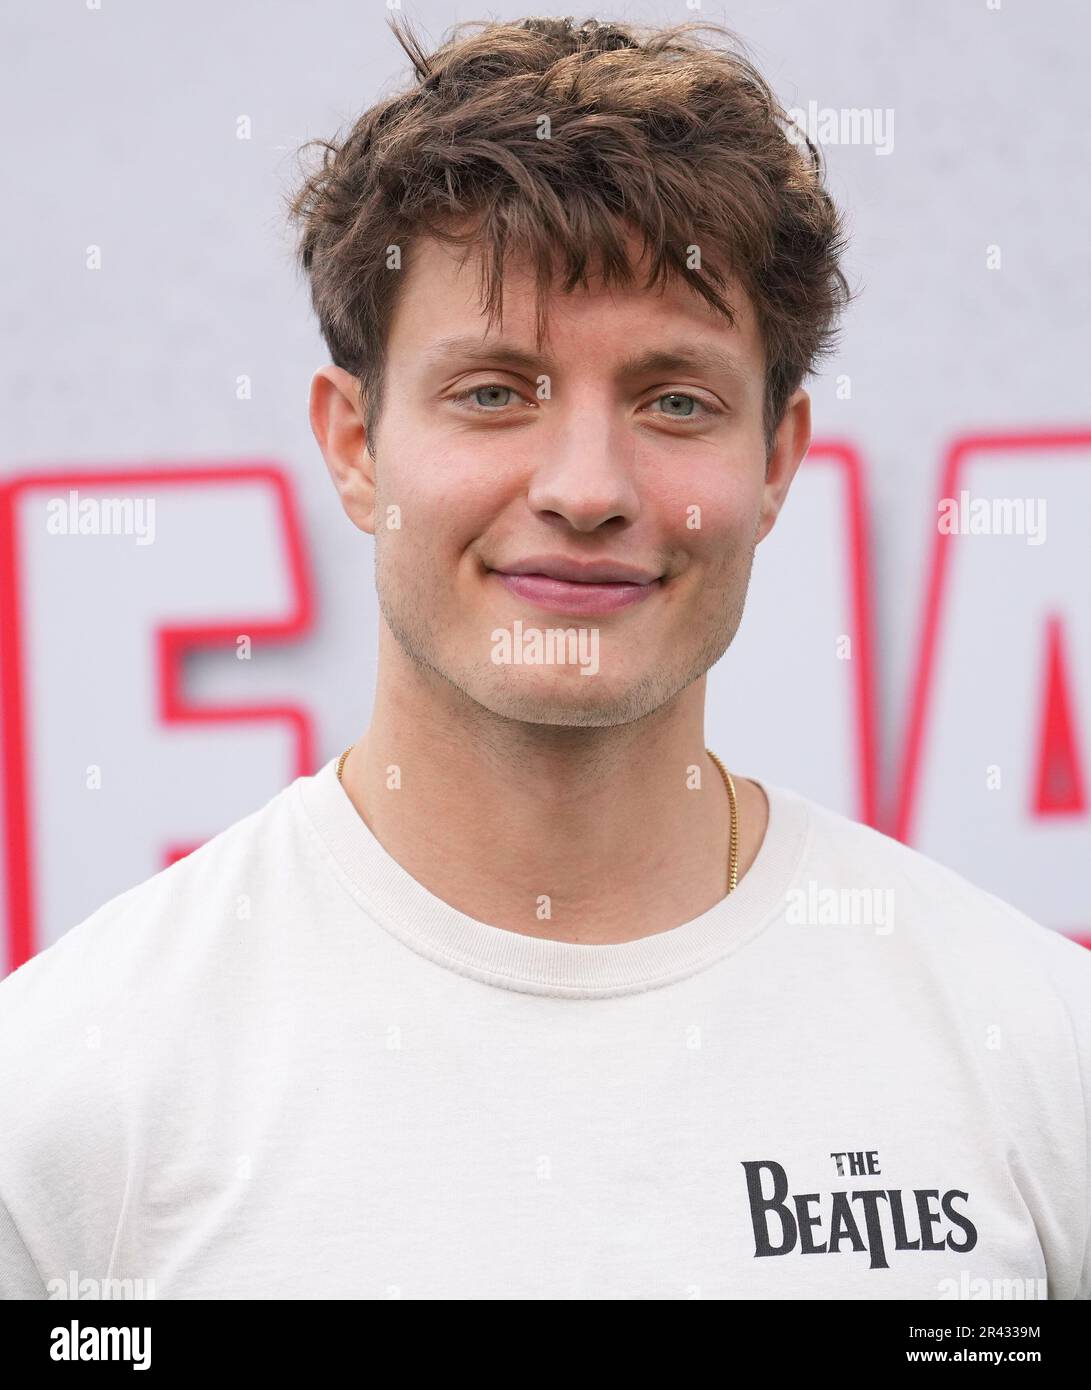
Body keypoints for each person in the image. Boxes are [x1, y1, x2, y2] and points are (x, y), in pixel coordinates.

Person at [0, 15, 1087, 1301]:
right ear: (353, 444)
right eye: (494, 391)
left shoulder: (1034, 1052)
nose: (585, 489)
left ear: (775, 461)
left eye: (673, 400)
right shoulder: (69, 1095)